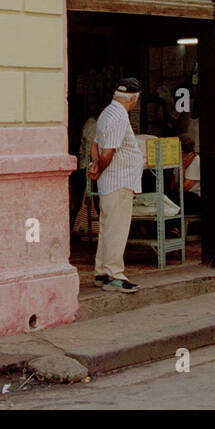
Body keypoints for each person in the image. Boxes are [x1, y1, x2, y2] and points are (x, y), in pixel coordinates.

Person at [87, 77, 144, 293]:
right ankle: (114, 275)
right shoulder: (120, 116)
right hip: (119, 180)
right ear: (134, 98)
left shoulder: (106, 113)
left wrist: (96, 166)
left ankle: (101, 272)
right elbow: (108, 151)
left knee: (107, 228)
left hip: (110, 181)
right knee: (117, 230)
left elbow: (96, 145)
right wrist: (100, 167)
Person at [177, 133, 201, 216]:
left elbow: (185, 187)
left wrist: (183, 167)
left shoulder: (196, 162)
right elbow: (173, 185)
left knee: (181, 197)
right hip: (183, 195)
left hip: (195, 198)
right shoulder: (177, 162)